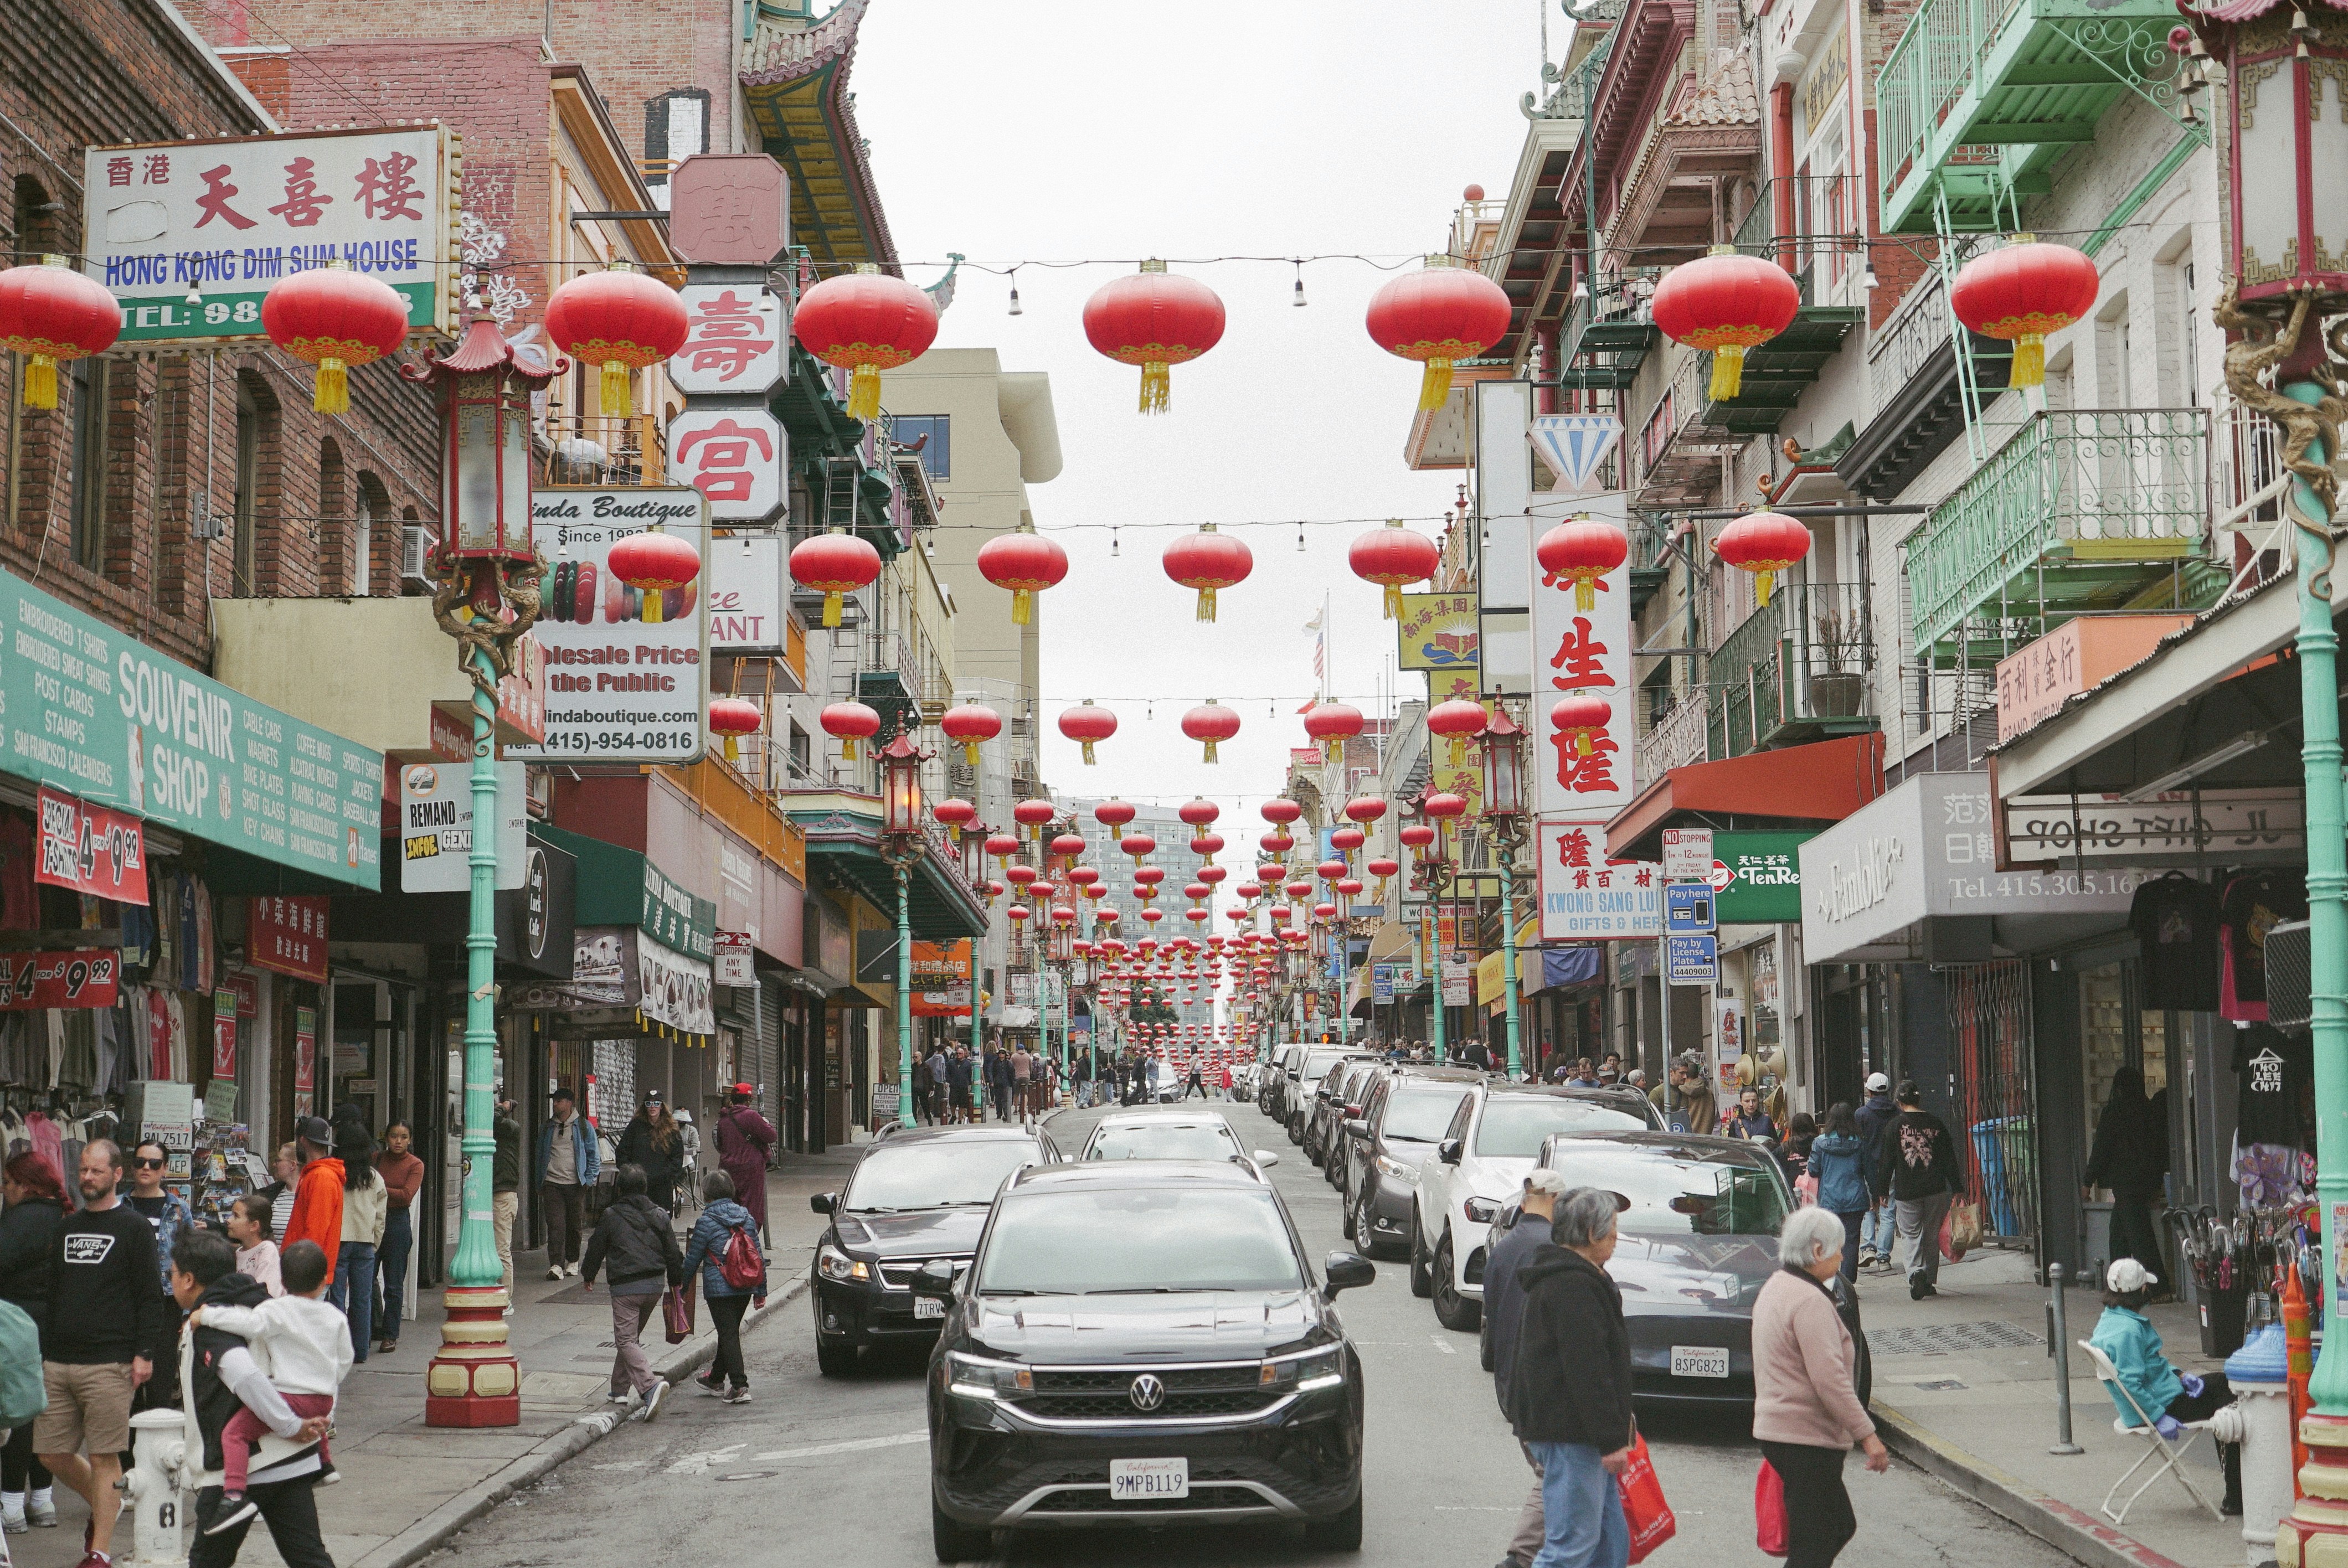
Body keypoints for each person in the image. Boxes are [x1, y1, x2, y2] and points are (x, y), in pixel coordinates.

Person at [37, 1141, 167, 1567]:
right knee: (50, 1453)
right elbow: (51, 1292)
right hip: (58, 1359)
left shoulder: (133, 1228)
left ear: (117, 1174)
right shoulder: (66, 1227)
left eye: (96, 1171)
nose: (87, 1178)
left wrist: (144, 1352)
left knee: (104, 1454)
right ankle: (106, 1502)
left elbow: (150, 1296)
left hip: (110, 1361)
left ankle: (101, 1552)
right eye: (83, 1170)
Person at [172, 1230, 336, 1568]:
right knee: (308, 1558)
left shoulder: (213, 1324)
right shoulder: (261, 1305)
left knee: (207, 1562)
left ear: (188, 1279)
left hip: (241, 1471)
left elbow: (245, 1375)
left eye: (171, 1274)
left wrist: (291, 1425)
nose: (170, 1281)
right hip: (290, 1461)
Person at [1753, 1208, 1891, 1568]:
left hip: (1788, 1434)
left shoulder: (1777, 1286)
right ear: (1817, 1252)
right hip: (1805, 1438)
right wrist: (1868, 1435)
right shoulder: (1809, 1301)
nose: (1842, 1257)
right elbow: (1830, 1380)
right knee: (1819, 1537)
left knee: (1832, 1527)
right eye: (1837, 1249)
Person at [1506, 1187, 1635, 1568]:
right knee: (1571, 1545)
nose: (1616, 1237)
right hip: (1572, 1433)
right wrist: (1611, 1438)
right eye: (1612, 1228)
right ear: (1593, 1234)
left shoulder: (1577, 1278)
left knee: (1611, 1543)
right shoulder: (1572, 1285)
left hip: (1581, 1432)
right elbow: (1587, 1368)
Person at [2089, 1257, 2243, 1513]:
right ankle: (2235, 1496)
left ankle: (2236, 1493)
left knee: (2220, 1385)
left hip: (2158, 1398)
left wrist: (2180, 1375)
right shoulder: (2129, 1331)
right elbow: (2130, 1382)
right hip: (2160, 1406)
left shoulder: (2110, 1320)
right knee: (2229, 1408)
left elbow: (2149, 1364)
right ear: (2141, 1291)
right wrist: (2159, 1417)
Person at [1484, 1169, 1569, 1568]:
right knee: (1554, 1476)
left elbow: (1490, 1319)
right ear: (1553, 1199)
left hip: (1511, 1383)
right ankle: (1520, 1558)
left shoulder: (1504, 1247)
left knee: (1559, 1479)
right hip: (1543, 1384)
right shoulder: (1555, 1248)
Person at [579, 1164, 684, 1423]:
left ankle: (649, 1387)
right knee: (631, 1338)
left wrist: (589, 1275)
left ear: (620, 1188)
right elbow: (673, 1252)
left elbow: (596, 1247)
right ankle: (619, 1390)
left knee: (626, 1341)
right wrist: (676, 1282)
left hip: (626, 1286)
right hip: (654, 1286)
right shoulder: (660, 1215)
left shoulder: (611, 1215)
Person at [0, 1149, 64, 1533]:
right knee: (45, 1412)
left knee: (18, 1412)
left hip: (16, 1324)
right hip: (54, 1324)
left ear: (24, 1186)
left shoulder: (22, 1219)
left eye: (7, 1183)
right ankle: (42, 1499)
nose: (4, 1190)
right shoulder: (62, 1215)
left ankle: (10, 1504)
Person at [1873, 1081, 1962, 1300]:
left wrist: (1882, 1189)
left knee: (1911, 1234)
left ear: (1899, 1102)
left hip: (1907, 1190)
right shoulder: (1936, 1123)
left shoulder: (1894, 1126)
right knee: (1931, 1235)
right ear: (1919, 1100)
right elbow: (1949, 1158)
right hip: (1936, 1188)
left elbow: (1887, 1161)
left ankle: (1916, 1273)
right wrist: (1957, 1187)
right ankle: (1929, 1280)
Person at [681, 1170, 763, 1404]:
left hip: (719, 1289)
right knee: (729, 1333)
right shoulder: (746, 1218)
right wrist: (760, 1291)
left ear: (707, 1195)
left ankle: (739, 1385)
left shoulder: (706, 1222)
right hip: (745, 1286)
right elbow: (756, 1255)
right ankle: (716, 1379)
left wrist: (681, 1287)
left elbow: (692, 1259)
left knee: (728, 1334)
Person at [2085, 1066, 2169, 1282]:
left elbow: (2101, 1149)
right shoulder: (2147, 1111)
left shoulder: (2115, 1113)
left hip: (2125, 1183)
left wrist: (2087, 1181)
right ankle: (2118, 1283)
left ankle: (2157, 1286)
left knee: (2140, 1237)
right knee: (2119, 1233)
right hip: (2146, 1181)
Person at [328, 1120, 385, 1361]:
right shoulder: (374, 1178)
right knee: (363, 1299)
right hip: (364, 1241)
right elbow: (381, 1216)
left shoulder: (334, 1175)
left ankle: (340, 1351)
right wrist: (374, 1242)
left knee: (337, 1297)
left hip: (338, 1241)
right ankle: (360, 1350)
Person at [536, 1087, 599, 1279]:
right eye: (554, 1101)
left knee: (574, 1225)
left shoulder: (583, 1126)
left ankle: (572, 1261)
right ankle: (556, 1265)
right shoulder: (548, 1127)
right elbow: (540, 1155)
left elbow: (593, 1155)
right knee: (555, 1225)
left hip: (575, 1183)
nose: (555, 1104)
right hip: (552, 1183)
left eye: (559, 1101)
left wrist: (589, 1180)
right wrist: (540, 1181)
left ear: (570, 1103)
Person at [1807, 1105, 1873, 1283]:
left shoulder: (1820, 1143)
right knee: (1851, 1241)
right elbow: (1868, 1170)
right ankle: (1848, 1282)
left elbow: (1813, 1170)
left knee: (1829, 1242)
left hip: (1829, 1200)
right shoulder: (1860, 1143)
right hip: (1855, 1198)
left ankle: (1831, 1280)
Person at [374, 1123, 423, 1353]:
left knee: (393, 1284)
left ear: (410, 1140)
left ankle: (390, 1334)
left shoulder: (415, 1164)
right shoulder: (376, 1159)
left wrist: (378, 1188)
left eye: (404, 1137)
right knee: (366, 1279)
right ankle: (374, 1325)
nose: (398, 1141)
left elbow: (405, 1196)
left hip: (397, 1224)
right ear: (386, 1137)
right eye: (394, 1136)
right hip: (373, 1222)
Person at [124, 1138, 195, 1292]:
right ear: (132, 1166)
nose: (146, 1167)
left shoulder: (178, 1208)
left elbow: (190, 1256)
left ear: (165, 1168)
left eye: (154, 1163)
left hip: (167, 1295)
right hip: (126, 1293)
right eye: (140, 1162)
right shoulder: (118, 1205)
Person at [713, 1083, 775, 1244]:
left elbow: (720, 1145)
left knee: (729, 1208)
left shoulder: (723, 1120)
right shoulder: (752, 1116)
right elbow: (771, 1136)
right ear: (749, 1099)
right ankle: (748, 1247)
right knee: (752, 1210)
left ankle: (731, 1245)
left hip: (728, 1171)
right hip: (751, 1170)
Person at [280, 1118, 344, 1265]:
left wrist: (302, 1265)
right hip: (305, 1267)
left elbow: (316, 1230)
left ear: (303, 1140)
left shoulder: (322, 1176)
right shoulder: (316, 1173)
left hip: (308, 1270)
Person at [1853, 1073, 1900, 1271]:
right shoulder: (1897, 1112)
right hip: (1892, 1168)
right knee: (1888, 1213)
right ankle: (1883, 1258)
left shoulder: (1861, 1114)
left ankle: (1868, 1248)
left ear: (1869, 1091)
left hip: (1868, 1166)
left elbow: (1858, 1142)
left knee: (1868, 1209)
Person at [616, 1091, 686, 1215]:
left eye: (656, 1103)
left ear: (662, 1106)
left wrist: (665, 1175)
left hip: (661, 1187)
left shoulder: (671, 1130)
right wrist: (629, 1173)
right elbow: (622, 1152)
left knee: (660, 1220)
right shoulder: (635, 1126)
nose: (652, 1107)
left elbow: (677, 1158)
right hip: (637, 1186)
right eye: (649, 1104)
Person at [491, 1097, 521, 1303]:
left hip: (503, 1195)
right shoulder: (498, 1129)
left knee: (502, 1249)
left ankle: (505, 1298)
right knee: (497, 1249)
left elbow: (495, 1120)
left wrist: (503, 1107)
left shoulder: (510, 1127)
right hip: (493, 1193)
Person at [224, 1196, 282, 1297]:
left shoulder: (267, 1250)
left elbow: (267, 1293)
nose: (228, 1220)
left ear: (254, 1226)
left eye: (236, 1216)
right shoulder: (237, 1252)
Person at [254, 1143, 301, 1249]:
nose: (274, 1165)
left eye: (278, 1161)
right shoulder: (271, 1194)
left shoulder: (307, 1195)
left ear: (292, 1165)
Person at [1781, 1112, 1819, 1184]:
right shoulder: (1820, 1147)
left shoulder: (1783, 1150)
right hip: (1817, 1192)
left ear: (1792, 1130)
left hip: (1791, 1192)